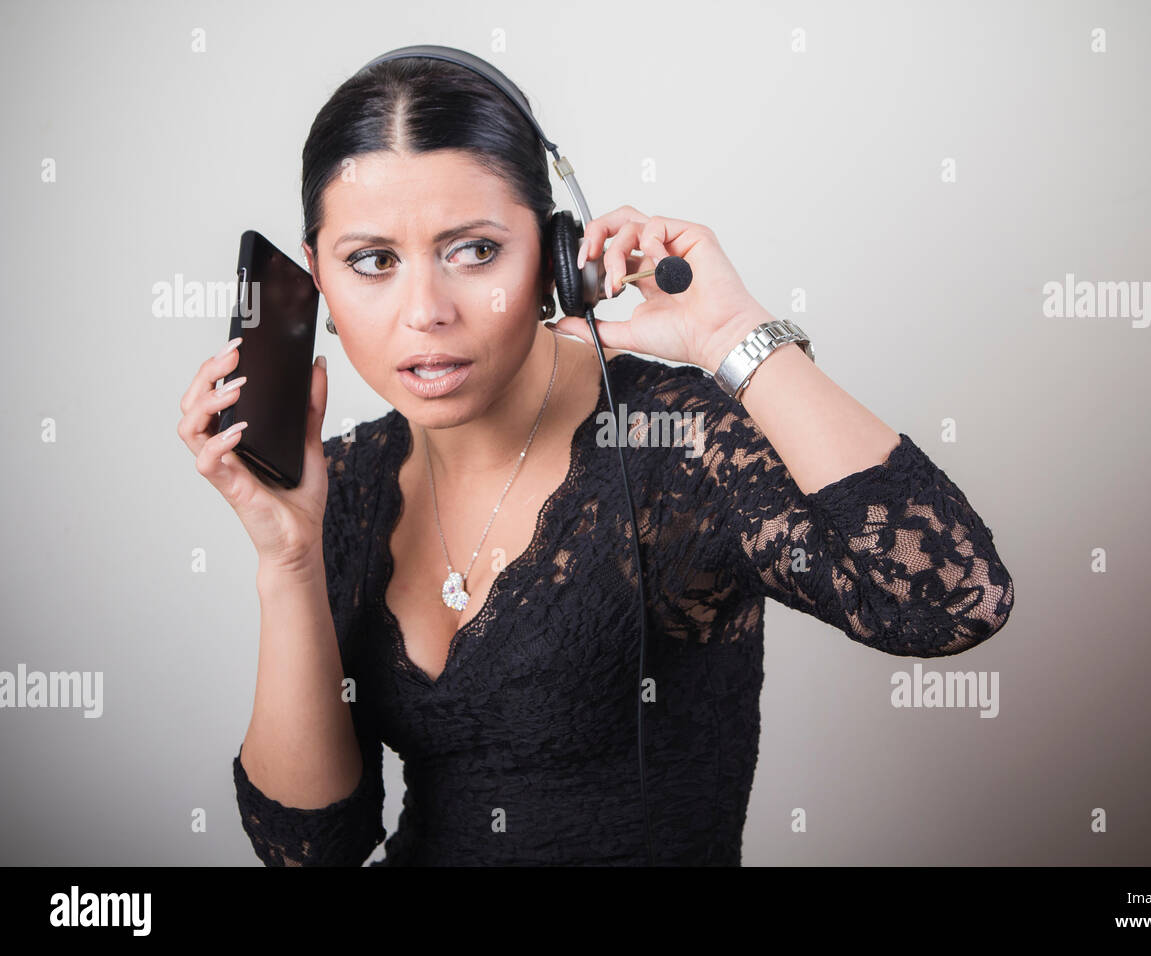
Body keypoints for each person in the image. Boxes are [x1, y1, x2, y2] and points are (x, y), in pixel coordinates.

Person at [176, 55, 1015, 866]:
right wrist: (288, 561)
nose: (425, 311)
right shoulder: (346, 483)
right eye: (373, 262)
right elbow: (311, 848)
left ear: (555, 255)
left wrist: (730, 338)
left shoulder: (675, 443)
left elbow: (951, 603)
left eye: (473, 251)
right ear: (315, 275)